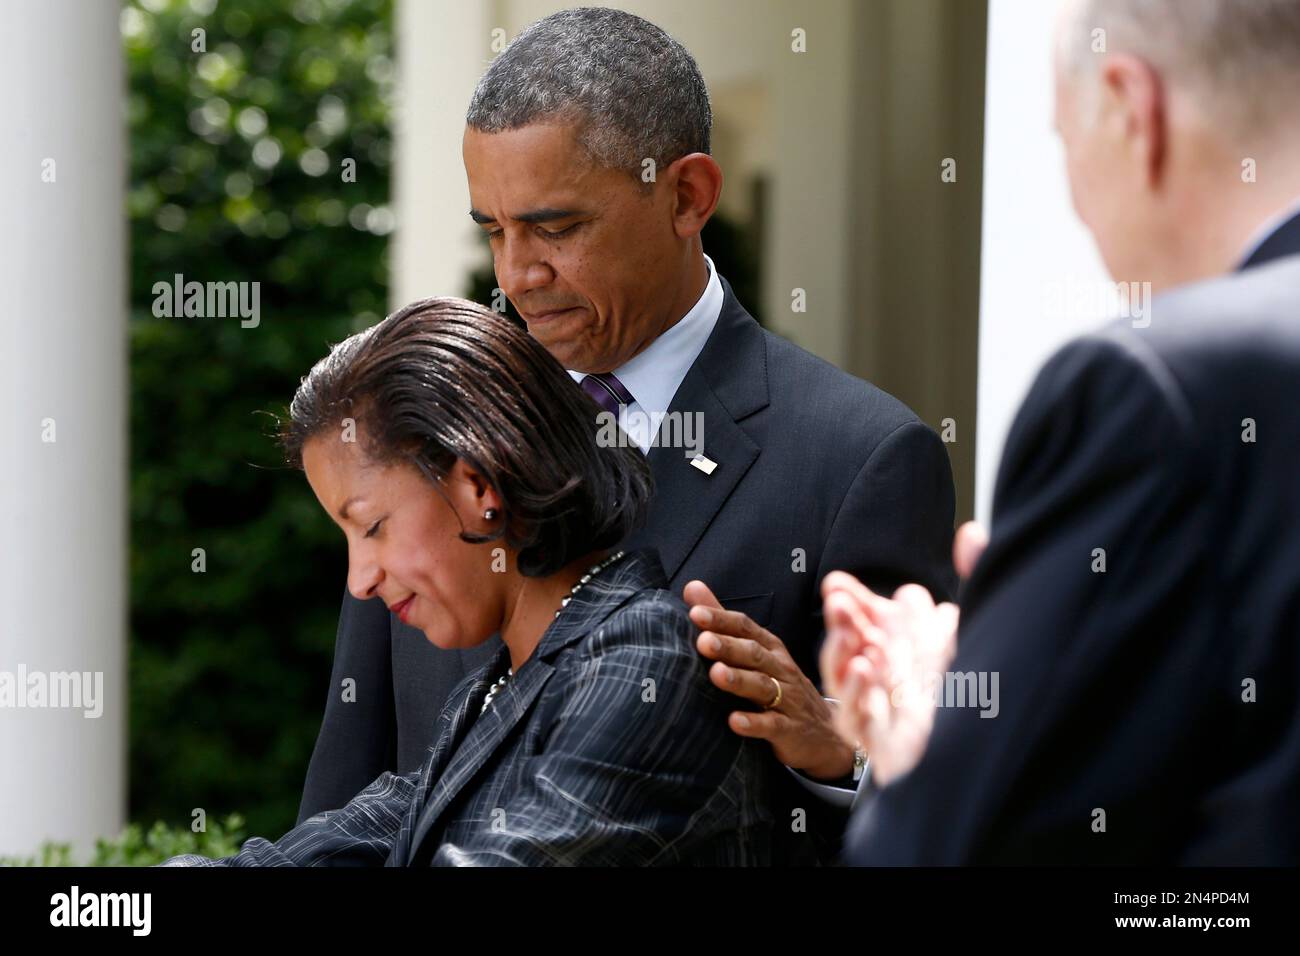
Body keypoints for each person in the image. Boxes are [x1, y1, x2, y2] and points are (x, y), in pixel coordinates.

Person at [297, 6, 956, 861]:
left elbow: (954, 816)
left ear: (688, 196)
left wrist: (844, 757)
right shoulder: (432, 435)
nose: (516, 274)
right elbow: (348, 796)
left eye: (556, 228)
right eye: (494, 231)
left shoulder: (861, 459)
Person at [822, 0, 1300, 864]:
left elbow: (950, 848)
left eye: (1063, 140)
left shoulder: (1152, 387)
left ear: (1130, 107)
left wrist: (934, 724)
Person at [162, 297, 772, 866]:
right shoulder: (494, 692)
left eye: (372, 526)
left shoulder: (646, 661)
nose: (360, 581)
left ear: (477, 486)